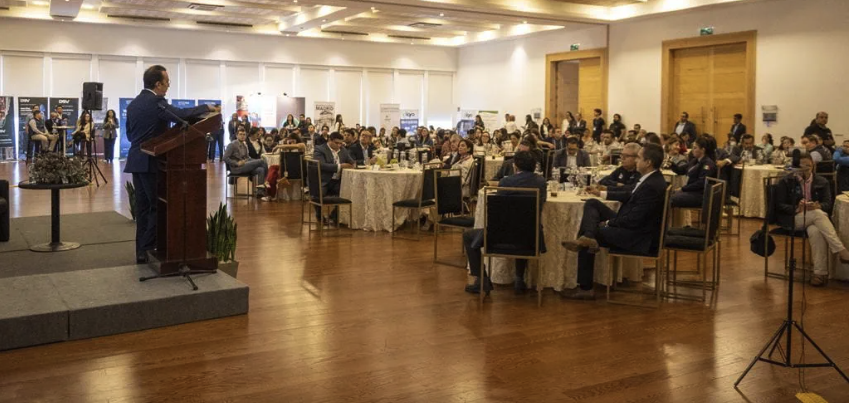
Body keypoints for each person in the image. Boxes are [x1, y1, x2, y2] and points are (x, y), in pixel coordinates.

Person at [125, 65, 218, 264]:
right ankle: (147, 248)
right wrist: (205, 108)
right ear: (158, 84)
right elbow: (181, 114)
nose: (168, 86)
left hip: (135, 160)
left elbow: (130, 134)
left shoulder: (133, 104)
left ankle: (141, 252)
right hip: (151, 162)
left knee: (142, 208)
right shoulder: (157, 102)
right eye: (167, 82)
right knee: (156, 207)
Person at [560, 143, 667, 299]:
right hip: (633, 226)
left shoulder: (651, 185)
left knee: (589, 233)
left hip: (637, 236)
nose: (636, 160)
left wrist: (609, 223)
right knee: (592, 203)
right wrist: (602, 194)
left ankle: (585, 288)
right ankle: (588, 237)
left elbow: (634, 220)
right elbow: (629, 194)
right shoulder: (651, 179)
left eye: (638, 157)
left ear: (648, 162)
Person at [463, 151, 547, 295]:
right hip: (531, 236)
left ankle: (481, 279)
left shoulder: (506, 182)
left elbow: (500, 211)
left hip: (502, 236)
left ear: (515, 166)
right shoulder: (541, 182)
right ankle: (519, 278)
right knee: (524, 225)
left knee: (469, 236)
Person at [775, 153, 849, 286]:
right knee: (817, 215)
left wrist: (818, 205)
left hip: (815, 219)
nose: (806, 169)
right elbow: (779, 205)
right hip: (793, 219)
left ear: (813, 166)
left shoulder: (822, 181)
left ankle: (819, 274)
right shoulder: (786, 181)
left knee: (816, 230)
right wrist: (797, 207)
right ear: (796, 167)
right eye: (802, 167)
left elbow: (828, 203)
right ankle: (841, 251)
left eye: (809, 166)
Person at [313, 132, 354, 222]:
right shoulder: (320, 149)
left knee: (350, 192)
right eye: (336, 143)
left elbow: (351, 162)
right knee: (318, 195)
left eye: (341, 143)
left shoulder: (343, 150)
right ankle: (319, 214)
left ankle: (334, 215)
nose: (339, 145)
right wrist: (340, 166)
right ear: (329, 140)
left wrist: (353, 164)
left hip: (338, 180)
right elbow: (321, 165)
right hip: (323, 180)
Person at [671, 134, 717, 208]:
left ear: (703, 150)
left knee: (670, 198)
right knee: (667, 195)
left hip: (700, 195)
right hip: (691, 191)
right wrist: (671, 164)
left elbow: (701, 183)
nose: (692, 150)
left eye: (695, 148)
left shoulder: (708, 164)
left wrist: (683, 189)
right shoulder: (695, 160)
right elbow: (681, 170)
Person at [224, 126, 269, 200]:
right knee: (262, 161)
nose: (242, 136)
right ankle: (266, 183)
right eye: (240, 134)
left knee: (261, 169)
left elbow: (247, 158)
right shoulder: (232, 145)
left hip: (245, 165)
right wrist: (236, 163)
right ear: (237, 135)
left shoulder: (244, 145)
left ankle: (260, 192)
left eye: (244, 134)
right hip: (237, 168)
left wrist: (254, 161)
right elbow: (225, 158)